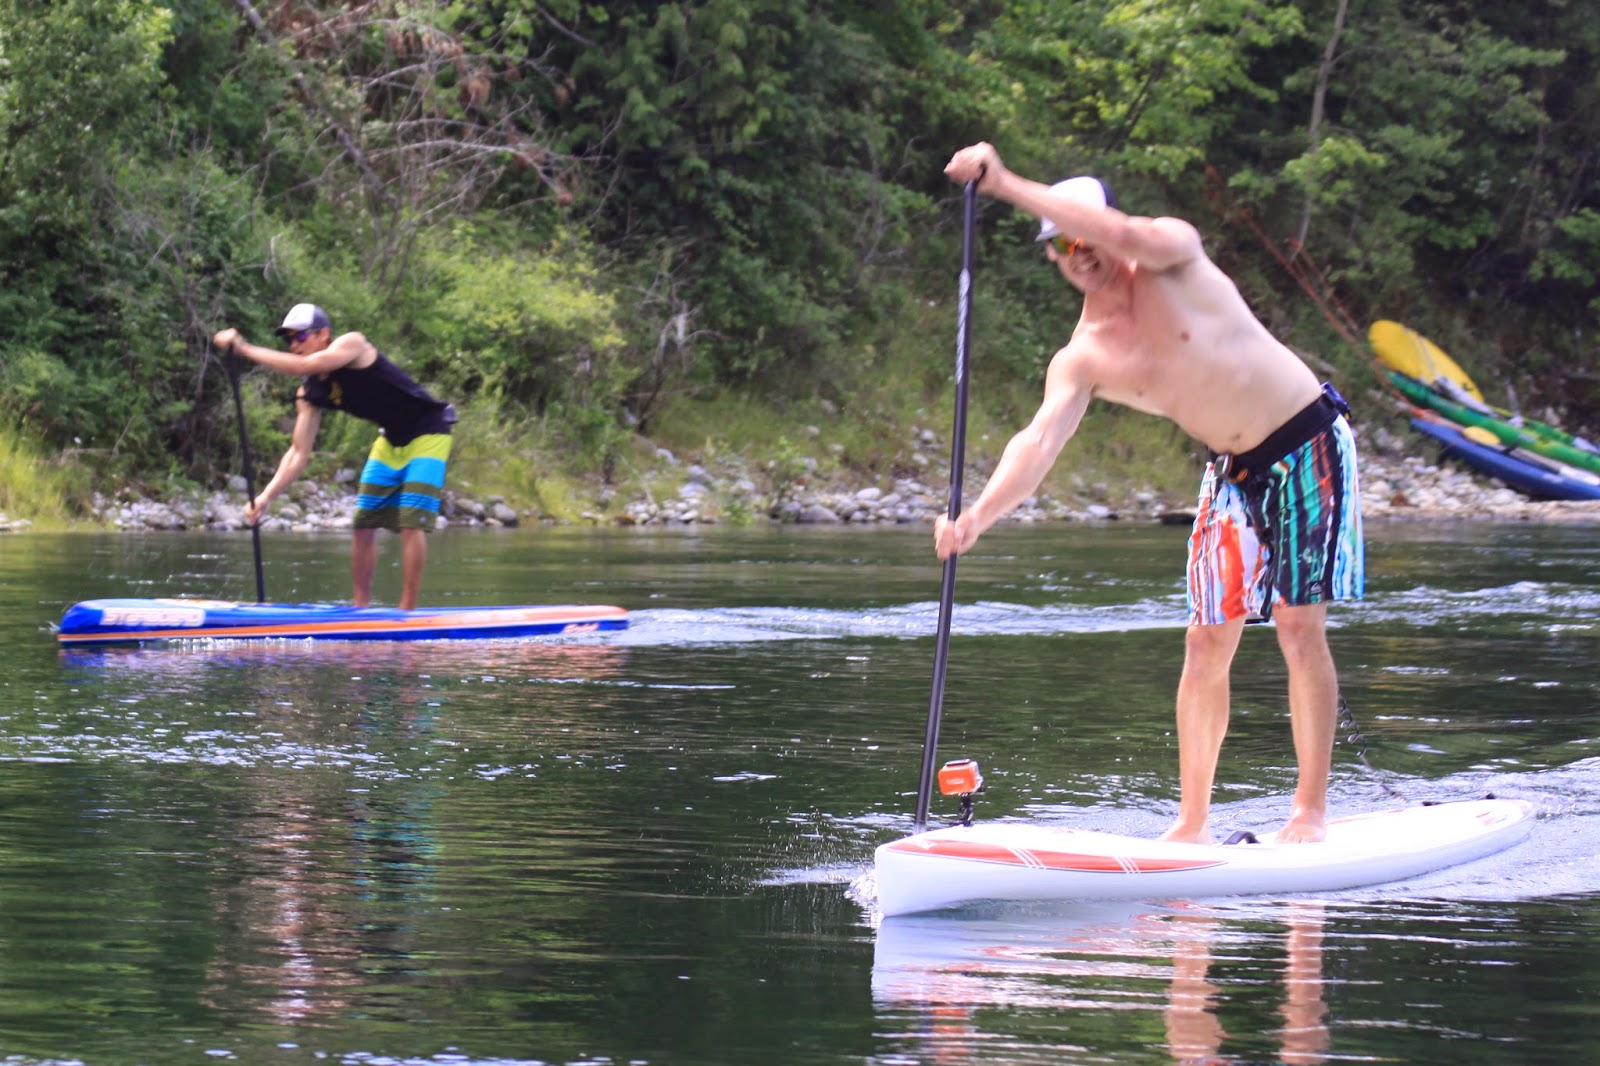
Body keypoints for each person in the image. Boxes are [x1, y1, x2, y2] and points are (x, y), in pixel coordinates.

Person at [936, 143, 1363, 845]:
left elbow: (1127, 235)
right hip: (1232, 472)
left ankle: (1308, 814)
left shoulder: (1171, 249)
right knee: (1204, 640)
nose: (1083, 250)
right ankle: (1191, 824)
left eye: (1089, 233)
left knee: (1295, 623)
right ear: (1053, 258)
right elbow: (1040, 441)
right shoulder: (1084, 356)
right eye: (1066, 244)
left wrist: (1005, 182)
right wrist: (975, 517)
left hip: (1307, 441)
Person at [213, 303, 457, 611]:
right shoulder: (310, 393)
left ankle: (407, 613)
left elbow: (303, 365)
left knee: (411, 522)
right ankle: (360, 612)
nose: (293, 346)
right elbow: (298, 452)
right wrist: (265, 497)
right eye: (288, 340)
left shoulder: (353, 344)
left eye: (300, 337)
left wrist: (244, 348)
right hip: (390, 438)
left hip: (429, 430)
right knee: (363, 525)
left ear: (324, 335)